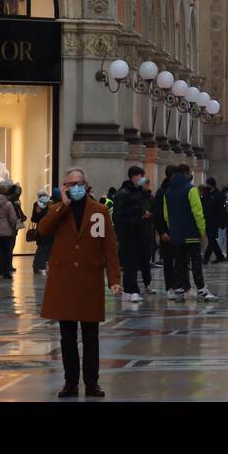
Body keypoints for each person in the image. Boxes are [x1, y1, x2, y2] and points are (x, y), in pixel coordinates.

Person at [38, 167, 122, 398]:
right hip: (64, 281)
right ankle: (70, 383)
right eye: (69, 184)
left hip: (89, 280)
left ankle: (92, 383)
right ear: (64, 188)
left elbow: (109, 247)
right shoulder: (57, 210)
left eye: (78, 183)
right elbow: (43, 231)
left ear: (86, 185)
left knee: (91, 336)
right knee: (67, 337)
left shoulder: (100, 211)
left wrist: (114, 279)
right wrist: (63, 205)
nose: (74, 188)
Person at [161, 164, 217, 300]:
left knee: (179, 262)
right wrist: (202, 231)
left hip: (176, 234)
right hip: (192, 233)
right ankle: (202, 290)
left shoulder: (167, 192)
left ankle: (179, 290)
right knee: (196, 262)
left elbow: (166, 215)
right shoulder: (191, 190)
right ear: (186, 173)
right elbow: (197, 212)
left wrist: (173, 228)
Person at [113, 168, 154, 301]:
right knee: (129, 262)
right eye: (140, 176)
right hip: (128, 233)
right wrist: (123, 230)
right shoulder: (123, 193)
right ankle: (131, 290)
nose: (142, 179)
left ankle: (132, 289)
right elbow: (118, 216)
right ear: (133, 177)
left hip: (140, 232)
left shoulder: (140, 193)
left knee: (137, 262)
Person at [201, 177, 228, 264]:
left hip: (215, 221)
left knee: (212, 240)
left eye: (207, 184)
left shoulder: (219, 195)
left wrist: (221, 221)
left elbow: (221, 209)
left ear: (211, 185)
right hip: (207, 220)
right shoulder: (206, 193)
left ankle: (206, 258)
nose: (206, 186)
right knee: (211, 239)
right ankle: (220, 256)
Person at [31, 189, 55, 275]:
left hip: (42, 229)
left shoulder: (37, 204)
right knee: (43, 248)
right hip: (49, 229)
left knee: (42, 248)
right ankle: (40, 266)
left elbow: (34, 218)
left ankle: (37, 265)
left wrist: (39, 213)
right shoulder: (51, 204)